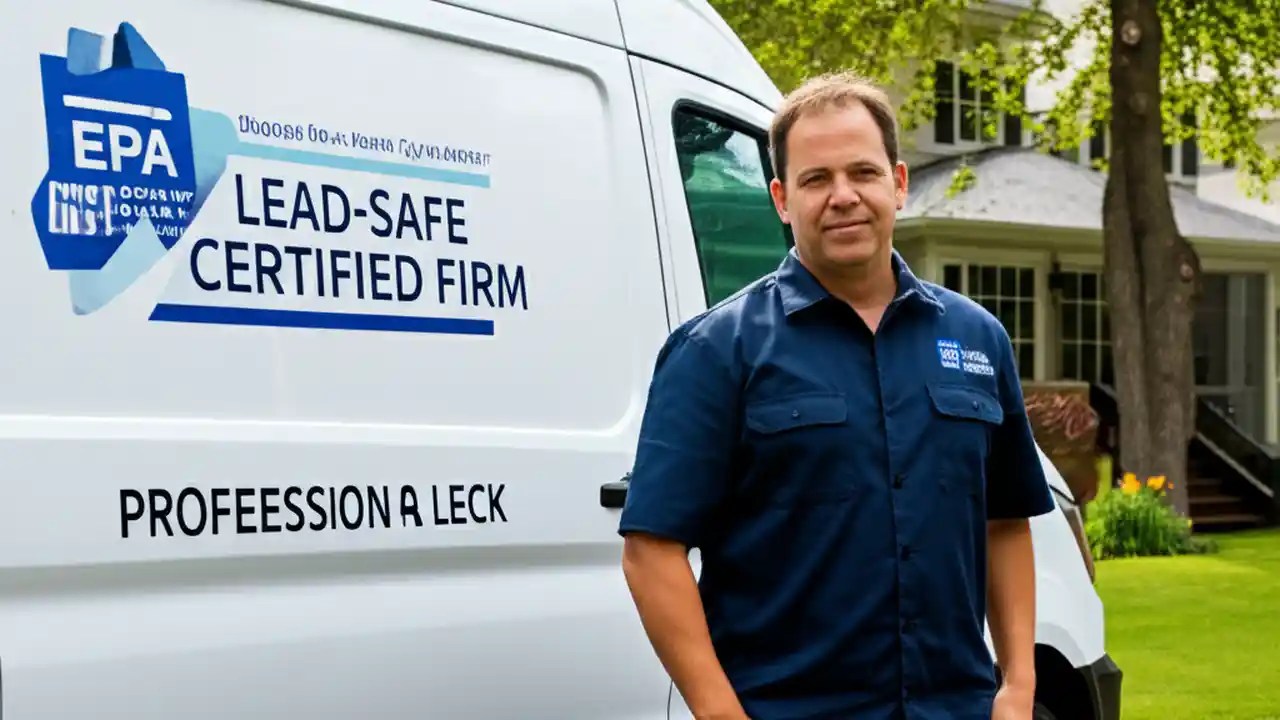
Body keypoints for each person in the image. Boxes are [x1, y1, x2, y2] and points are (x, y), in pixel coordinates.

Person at [617, 71, 1055, 720]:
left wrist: (1018, 684)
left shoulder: (978, 339)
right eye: (816, 179)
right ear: (781, 199)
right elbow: (651, 552)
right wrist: (720, 712)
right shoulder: (715, 350)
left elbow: (1006, 521)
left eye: (863, 173)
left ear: (898, 183)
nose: (842, 196)